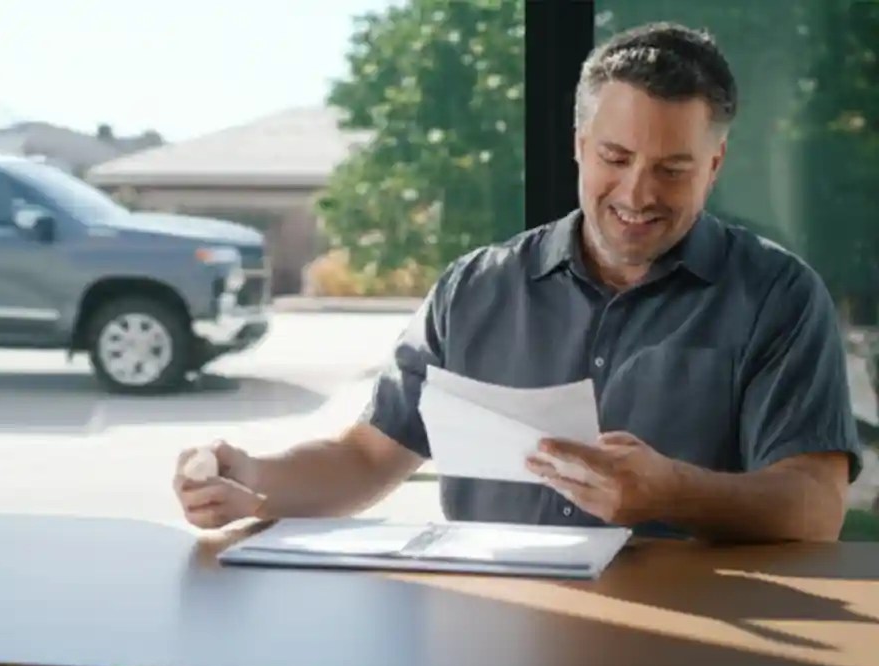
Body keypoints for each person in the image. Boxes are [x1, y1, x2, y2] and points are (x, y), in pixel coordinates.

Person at [173, 22, 863, 543]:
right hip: (486, 643)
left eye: (673, 169)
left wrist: (673, 491)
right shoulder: (474, 290)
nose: (636, 191)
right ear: (578, 145)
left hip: (691, 653)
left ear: (715, 164)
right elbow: (365, 457)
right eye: (615, 157)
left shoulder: (778, 297)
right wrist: (255, 481)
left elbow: (814, 506)